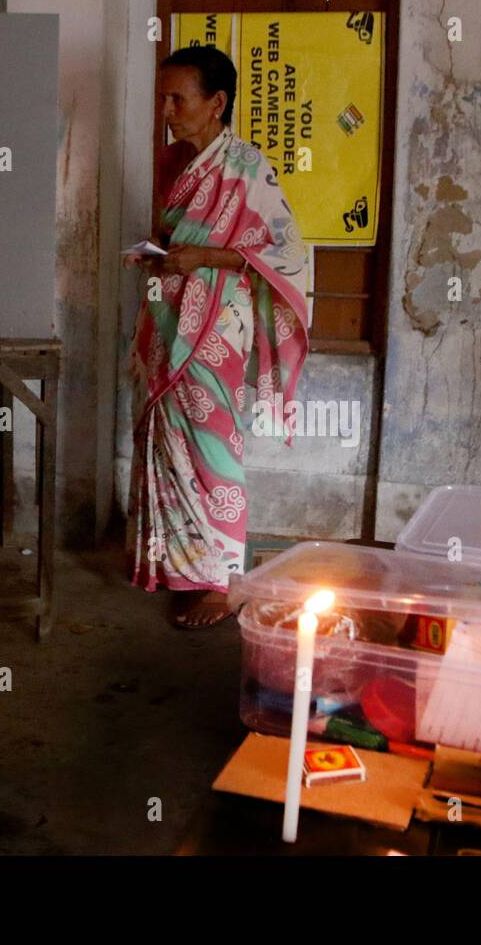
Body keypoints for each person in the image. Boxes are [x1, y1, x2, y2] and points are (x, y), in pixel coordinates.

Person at [125, 46, 310, 628]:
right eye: (164, 97)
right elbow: (170, 231)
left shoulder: (248, 170)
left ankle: (223, 582)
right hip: (167, 318)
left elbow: (288, 253)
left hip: (214, 331)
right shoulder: (170, 163)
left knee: (213, 447)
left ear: (217, 103)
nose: (168, 109)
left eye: (179, 98)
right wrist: (158, 257)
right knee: (165, 441)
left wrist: (201, 255)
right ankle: (176, 565)